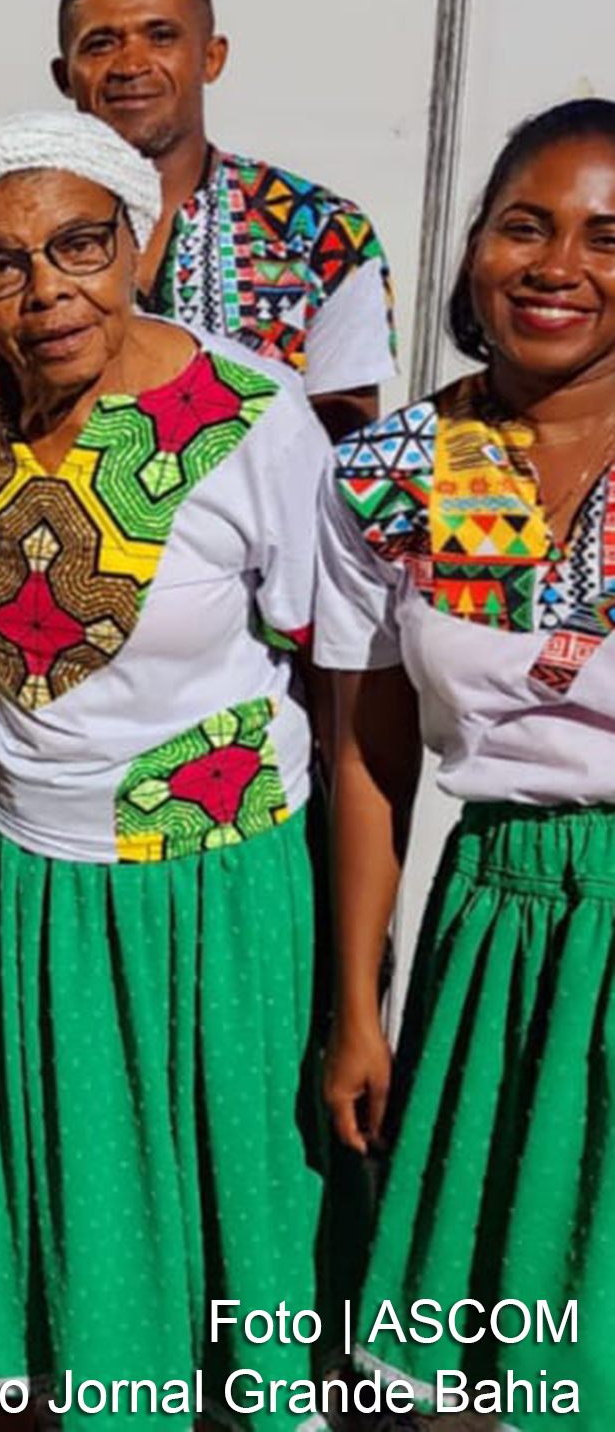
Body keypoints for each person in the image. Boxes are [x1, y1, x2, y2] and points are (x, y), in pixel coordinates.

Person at [0, 111, 331, 1425]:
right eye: (1, 263)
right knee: (51, 1194)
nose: (46, 292)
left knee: (219, 1185)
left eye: (80, 245)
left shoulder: (249, 414)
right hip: (11, 875)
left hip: (204, 885)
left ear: (138, 238)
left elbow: (325, 652)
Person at [319, 99, 615, 1429]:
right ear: (474, 249)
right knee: (470, 1354)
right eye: (526, 225)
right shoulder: (390, 471)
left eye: (611, 237)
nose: (559, 265)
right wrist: (362, 1007)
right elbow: (370, 753)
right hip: (495, 921)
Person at [0, 0, 395, 440]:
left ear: (212, 57)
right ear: (65, 76)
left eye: (161, 36)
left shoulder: (320, 232)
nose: (131, 65)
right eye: (101, 43)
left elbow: (342, 446)